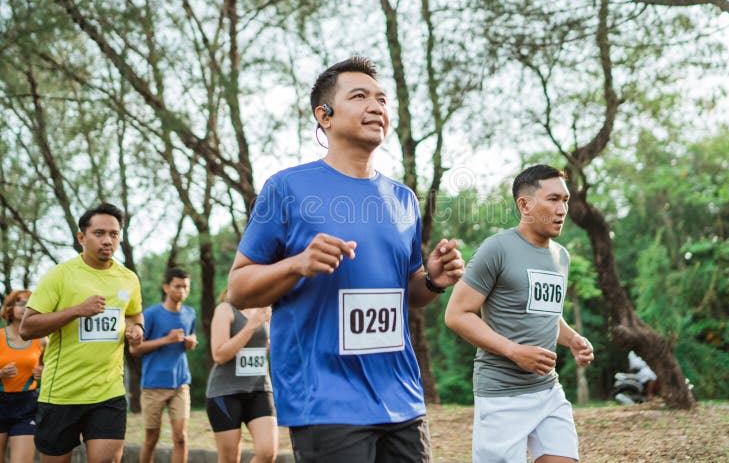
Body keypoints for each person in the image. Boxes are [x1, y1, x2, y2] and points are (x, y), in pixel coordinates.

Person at [226, 56, 465, 462]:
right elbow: (239, 289)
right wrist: (296, 264)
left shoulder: (403, 199)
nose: (377, 107)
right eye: (360, 97)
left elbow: (407, 292)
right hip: (325, 400)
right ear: (325, 116)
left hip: (402, 398)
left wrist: (434, 281)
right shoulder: (286, 188)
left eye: (382, 99)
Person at [445, 164, 595, 463]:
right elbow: (457, 314)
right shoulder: (496, 248)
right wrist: (514, 351)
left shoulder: (560, 256)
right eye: (553, 199)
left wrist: (573, 338)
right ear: (524, 204)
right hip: (501, 395)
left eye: (565, 200)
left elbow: (548, 314)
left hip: (547, 389)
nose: (562, 208)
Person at [19, 202, 144, 463]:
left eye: (114, 234)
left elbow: (133, 313)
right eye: (99, 233)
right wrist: (76, 310)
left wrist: (136, 328)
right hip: (62, 393)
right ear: (81, 237)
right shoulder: (60, 276)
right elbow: (27, 328)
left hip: (108, 392)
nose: (108, 240)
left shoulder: (128, 278)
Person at [129, 268, 197, 463]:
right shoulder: (150, 314)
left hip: (180, 385)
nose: (182, 291)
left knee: (181, 437)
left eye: (185, 287)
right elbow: (135, 349)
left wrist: (191, 342)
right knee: (151, 439)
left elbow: (191, 338)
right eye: (177, 286)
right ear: (166, 287)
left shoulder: (190, 313)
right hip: (153, 385)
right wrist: (166, 340)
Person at [205, 288, 276, 463]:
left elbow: (261, 348)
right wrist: (251, 325)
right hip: (225, 393)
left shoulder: (265, 309)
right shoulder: (225, 310)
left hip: (260, 389)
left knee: (267, 453)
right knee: (229, 458)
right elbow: (219, 355)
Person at [0, 290, 46, 463]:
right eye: (20, 303)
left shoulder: (41, 340)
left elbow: (53, 367)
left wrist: (44, 371)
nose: (25, 307)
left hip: (27, 406)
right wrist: (1, 373)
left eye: (30, 304)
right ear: (10, 308)